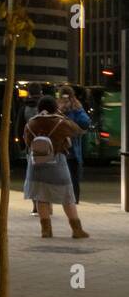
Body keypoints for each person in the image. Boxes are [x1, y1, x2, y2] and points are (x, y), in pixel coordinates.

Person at [23, 96, 89, 239]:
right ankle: (76, 229)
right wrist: (62, 115)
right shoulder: (60, 122)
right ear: (55, 107)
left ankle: (46, 230)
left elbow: (27, 142)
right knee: (67, 196)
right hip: (57, 162)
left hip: (36, 164)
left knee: (41, 197)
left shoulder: (31, 123)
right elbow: (77, 130)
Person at [57, 85, 91, 204]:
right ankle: (73, 199)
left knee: (67, 176)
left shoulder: (60, 107)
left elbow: (85, 122)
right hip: (70, 150)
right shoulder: (74, 108)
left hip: (63, 150)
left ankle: (69, 199)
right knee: (72, 177)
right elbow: (86, 122)